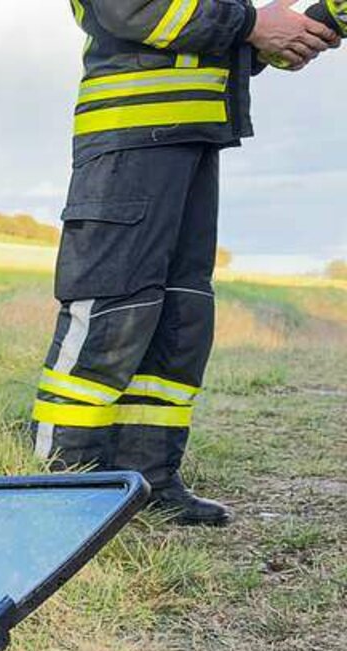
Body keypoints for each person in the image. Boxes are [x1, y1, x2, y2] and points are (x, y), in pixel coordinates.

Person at [33, 0, 339, 526]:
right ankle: (61, 485)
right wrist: (253, 25)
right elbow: (135, 11)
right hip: (129, 135)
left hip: (192, 137)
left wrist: (300, 28)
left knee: (181, 318)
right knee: (111, 310)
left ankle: (146, 479)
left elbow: (203, 40)